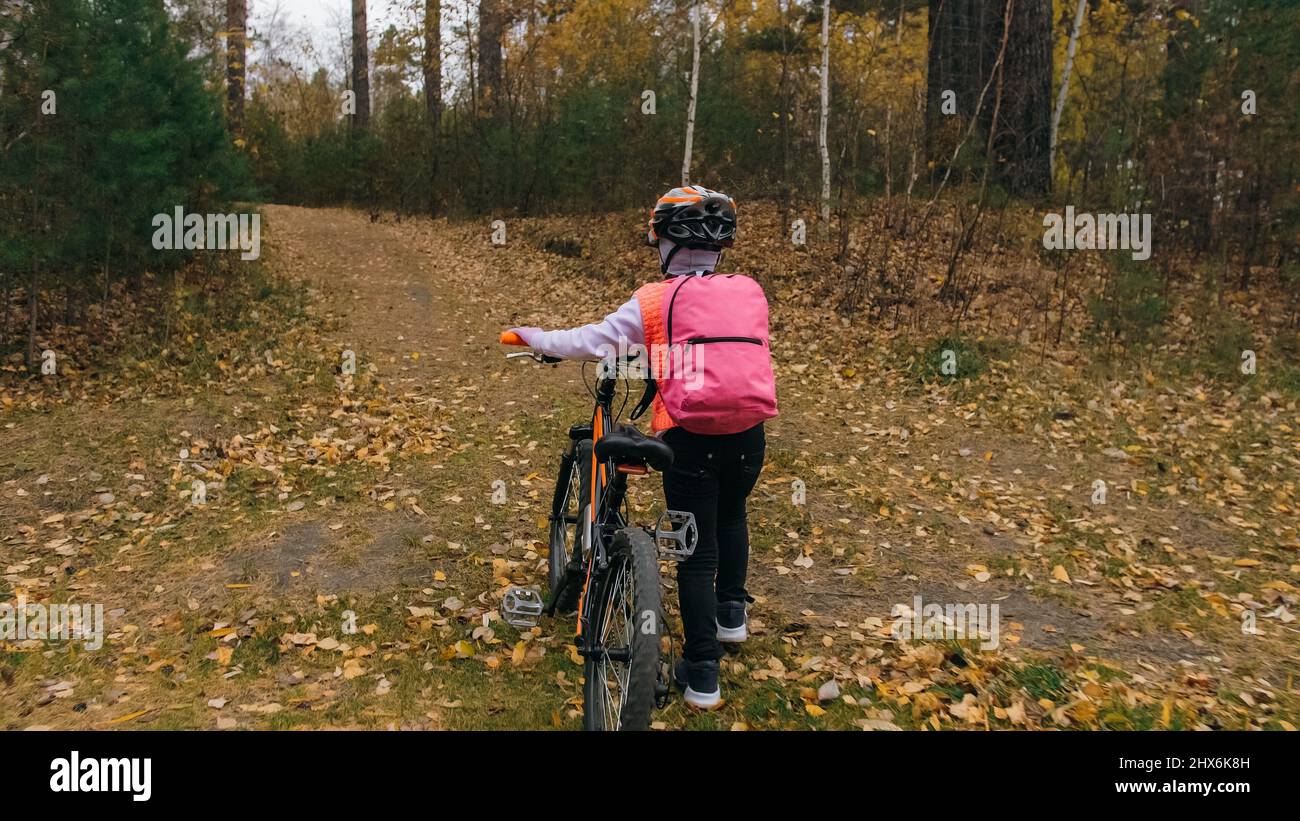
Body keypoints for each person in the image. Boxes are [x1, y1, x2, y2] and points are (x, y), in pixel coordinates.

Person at [508, 185, 777, 710]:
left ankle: (702, 675)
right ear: (721, 244)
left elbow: (591, 341)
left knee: (695, 557)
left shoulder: (654, 299)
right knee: (731, 517)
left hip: (690, 437)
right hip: (748, 433)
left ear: (665, 243)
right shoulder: (749, 290)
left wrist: (534, 336)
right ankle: (731, 618)